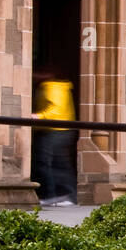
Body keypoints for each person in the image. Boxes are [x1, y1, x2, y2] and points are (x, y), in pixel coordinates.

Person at [31, 74, 78, 207]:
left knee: (48, 163)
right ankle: (61, 195)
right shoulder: (58, 87)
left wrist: (37, 117)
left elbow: (55, 110)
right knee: (57, 163)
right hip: (59, 129)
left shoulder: (51, 87)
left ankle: (55, 195)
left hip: (54, 130)